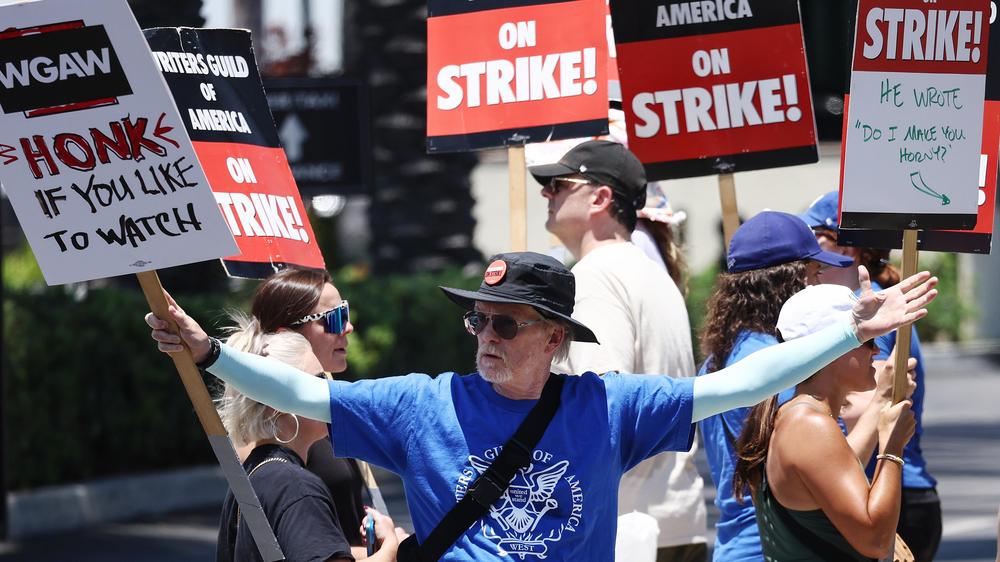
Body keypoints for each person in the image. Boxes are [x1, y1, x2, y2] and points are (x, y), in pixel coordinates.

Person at [147, 251, 936, 561]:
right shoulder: (421, 405)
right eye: (478, 320)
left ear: (554, 337)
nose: (485, 336)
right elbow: (298, 392)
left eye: (506, 324)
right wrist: (208, 351)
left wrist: (850, 330)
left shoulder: (609, 406)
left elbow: (735, 386)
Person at [532, 140, 706, 560]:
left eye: (559, 185)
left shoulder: (595, 276)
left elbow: (601, 406)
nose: (545, 193)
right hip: (672, 518)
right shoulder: (652, 273)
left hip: (626, 530)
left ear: (600, 198)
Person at [696, 210, 854, 561]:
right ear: (787, 280)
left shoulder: (720, 357)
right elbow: (826, 469)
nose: (817, 285)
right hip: (776, 547)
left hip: (738, 546)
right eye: (814, 273)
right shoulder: (778, 365)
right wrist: (883, 418)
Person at [800, 191, 942, 561]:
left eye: (816, 237)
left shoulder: (874, 310)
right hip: (888, 489)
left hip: (892, 492)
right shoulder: (865, 306)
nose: (806, 252)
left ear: (848, 246)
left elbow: (862, 407)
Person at [733, 284, 918, 560]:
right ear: (833, 348)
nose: (875, 351)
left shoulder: (796, 415)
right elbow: (876, 540)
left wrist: (882, 399)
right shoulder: (810, 426)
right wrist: (892, 448)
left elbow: (836, 471)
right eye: (867, 340)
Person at [215, 329, 399, 562]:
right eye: (318, 380)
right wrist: (391, 547)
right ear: (279, 401)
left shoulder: (254, 475)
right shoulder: (295, 486)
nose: (330, 390)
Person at [241, 267, 370, 551]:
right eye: (335, 318)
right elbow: (300, 548)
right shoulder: (271, 430)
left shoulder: (324, 414)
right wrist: (392, 550)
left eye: (345, 312)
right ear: (286, 335)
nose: (348, 327)